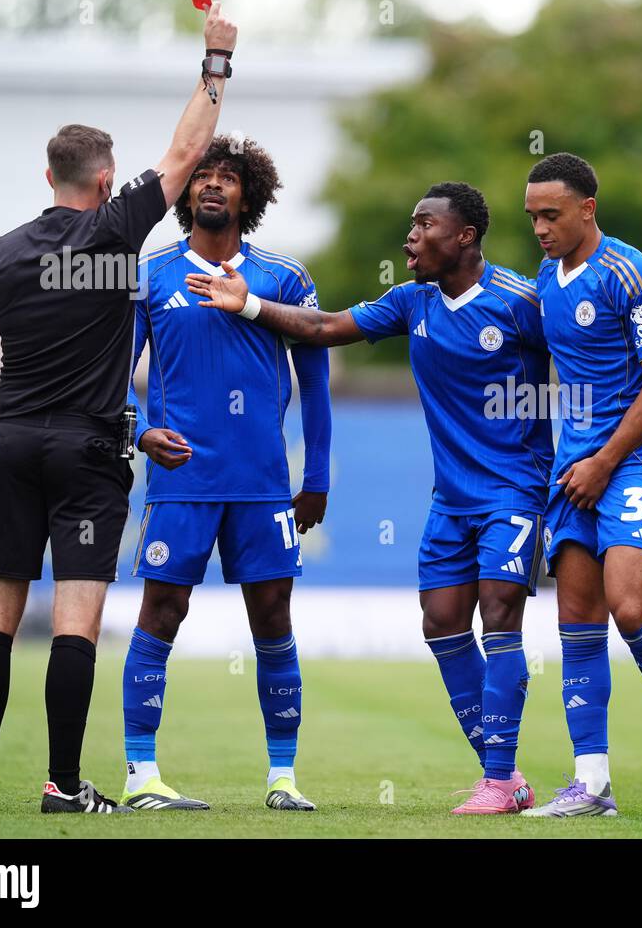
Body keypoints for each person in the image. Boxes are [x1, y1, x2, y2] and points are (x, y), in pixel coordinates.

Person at [0, 2, 238, 814]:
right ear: (105, 180)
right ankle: (64, 786)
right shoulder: (115, 230)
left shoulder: (2, 251)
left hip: (12, 445)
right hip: (87, 454)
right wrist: (216, 60)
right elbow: (186, 151)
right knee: (75, 619)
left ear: (49, 179)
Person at [187, 182, 549, 814]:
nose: (411, 235)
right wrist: (249, 307)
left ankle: (495, 779)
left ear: (464, 236)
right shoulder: (412, 302)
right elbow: (324, 327)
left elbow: (583, 367)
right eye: (411, 223)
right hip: (452, 498)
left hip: (516, 489)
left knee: (498, 612)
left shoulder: (521, 303)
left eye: (425, 224)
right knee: (441, 622)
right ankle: (508, 774)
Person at [120, 135, 331, 812]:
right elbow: (112, 375)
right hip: (181, 480)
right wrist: (140, 429)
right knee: (162, 610)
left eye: (227, 177)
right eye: (202, 176)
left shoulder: (284, 278)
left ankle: (282, 777)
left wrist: (318, 474)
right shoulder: (150, 274)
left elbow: (317, 382)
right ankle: (142, 774)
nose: (212, 185)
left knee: (272, 617)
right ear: (185, 194)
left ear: (250, 194)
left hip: (264, 482)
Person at [520, 153, 642, 818]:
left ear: (587, 210)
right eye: (533, 216)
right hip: (575, 469)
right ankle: (592, 783)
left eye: (552, 214)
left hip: (626, 465)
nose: (541, 227)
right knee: (577, 622)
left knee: (630, 608)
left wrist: (614, 459)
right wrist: (586, 460)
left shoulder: (629, 273)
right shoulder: (547, 278)